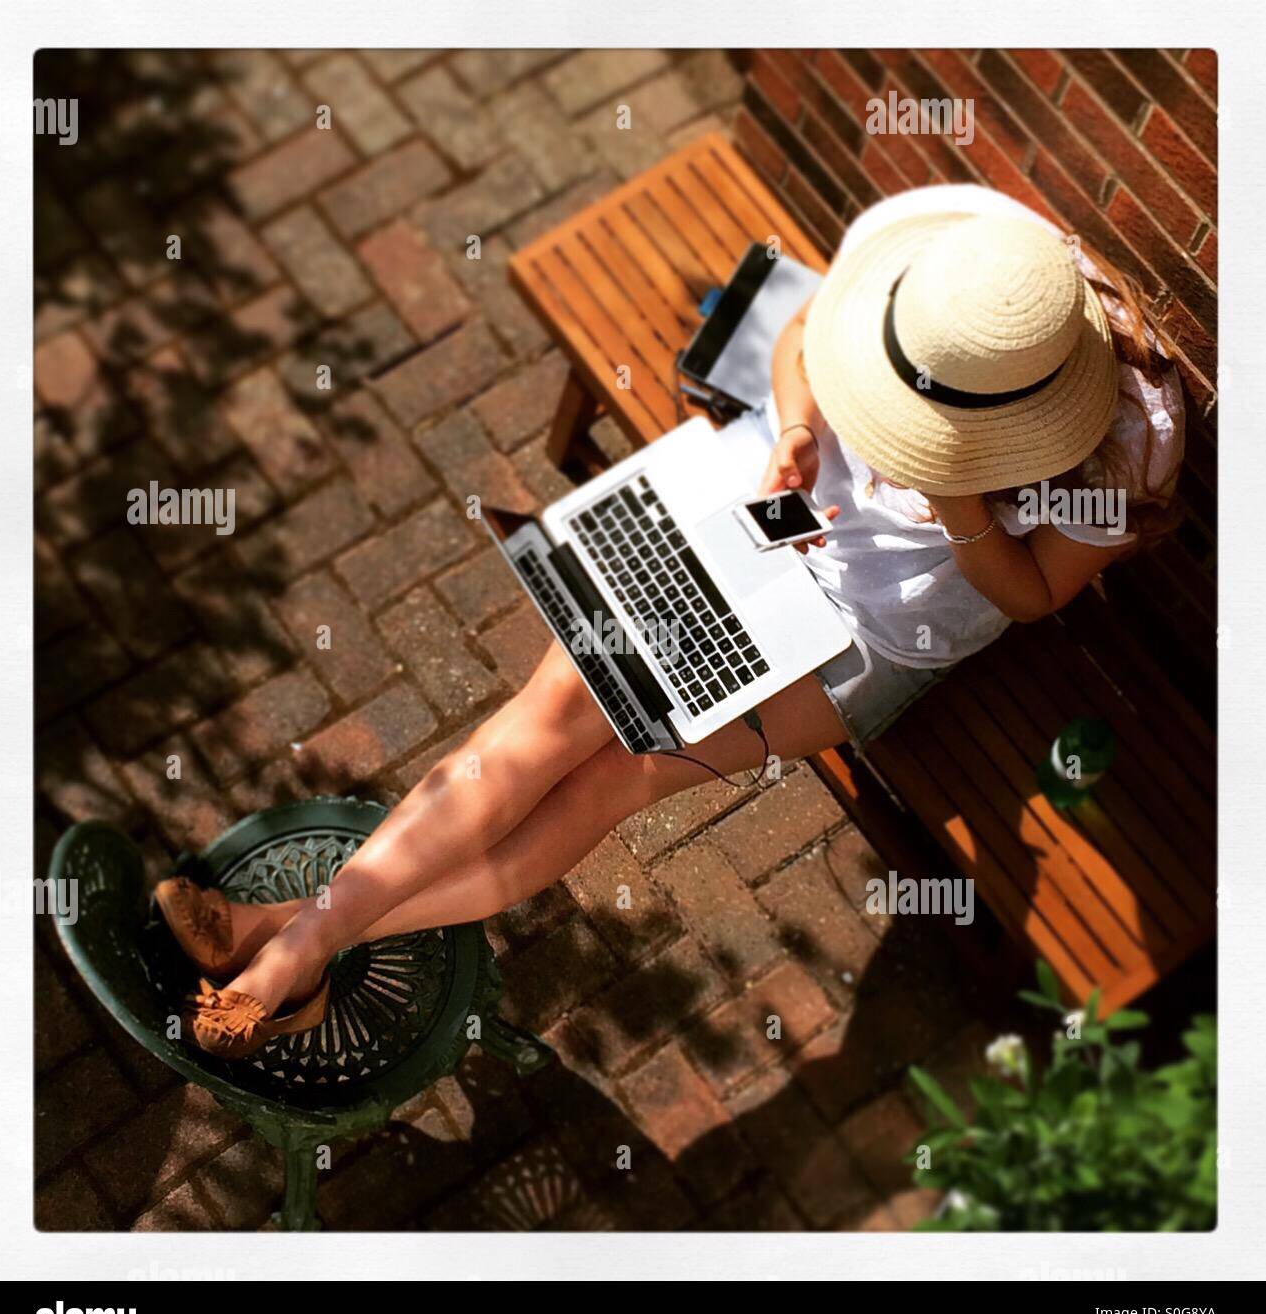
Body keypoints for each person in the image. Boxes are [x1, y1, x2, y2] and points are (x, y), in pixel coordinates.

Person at [156, 184, 1184, 1058]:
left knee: (616, 774)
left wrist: (961, 504)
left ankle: (293, 942)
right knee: (550, 712)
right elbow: (796, 338)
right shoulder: (944, 251)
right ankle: (296, 950)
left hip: (871, 626)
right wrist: (794, 432)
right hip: (759, 505)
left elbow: (1034, 592)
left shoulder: (1132, 437)